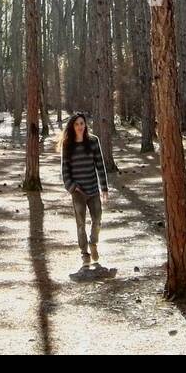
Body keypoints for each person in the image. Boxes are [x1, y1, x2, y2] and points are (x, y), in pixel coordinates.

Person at [60, 112, 109, 268]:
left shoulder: (93, 141)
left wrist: (104, 187)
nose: (80, 127)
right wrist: (72, 187)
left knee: (97, 219)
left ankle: (93, 243)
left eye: (82, 123)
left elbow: (100, 165)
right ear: (72, 126)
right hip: (78, 192)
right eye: (77, 124)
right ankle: (84, 253)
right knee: (80, 224)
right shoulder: (67, 145)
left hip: (93, 189)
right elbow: (65, 171)